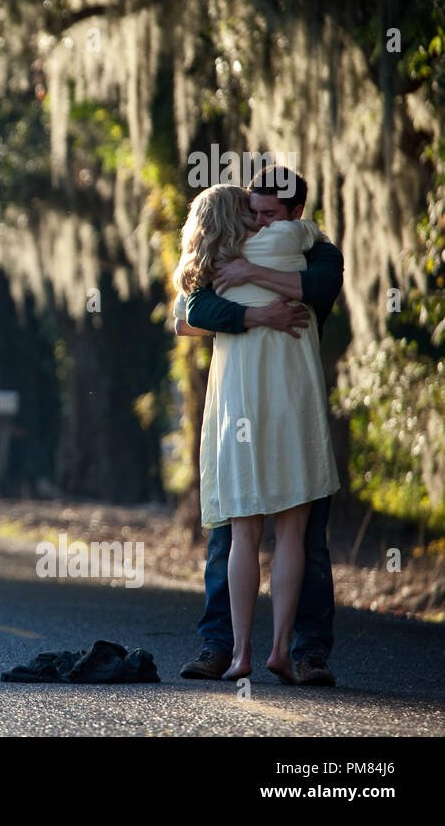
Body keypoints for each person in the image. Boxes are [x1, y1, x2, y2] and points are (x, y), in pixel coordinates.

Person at [176, 166, 345, 685]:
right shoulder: (254, 247)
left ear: (296, 212)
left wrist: (250, 280)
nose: (258, 221)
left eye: (268, 213)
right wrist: (258, 315)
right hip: (285, 397)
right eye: (252, 211)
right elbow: (190, 315)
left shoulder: (311, 250)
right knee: (243, 531)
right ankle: (225, 645)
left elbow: (317, 287)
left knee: (288, 534)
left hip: (259, 395)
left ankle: (300, 651)